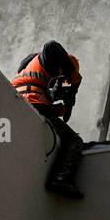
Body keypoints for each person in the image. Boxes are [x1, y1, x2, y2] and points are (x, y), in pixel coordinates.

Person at [11, 41, 85, 199]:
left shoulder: (31, 68)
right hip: (31, 102)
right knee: (74, 141)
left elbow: (36, 90)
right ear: (62, 67)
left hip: (20, 103)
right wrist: (73, 77)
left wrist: (62, 107)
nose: (63, 82)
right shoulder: (49, 61)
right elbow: (51, 46)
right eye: (64, 79)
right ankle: (60, 179)